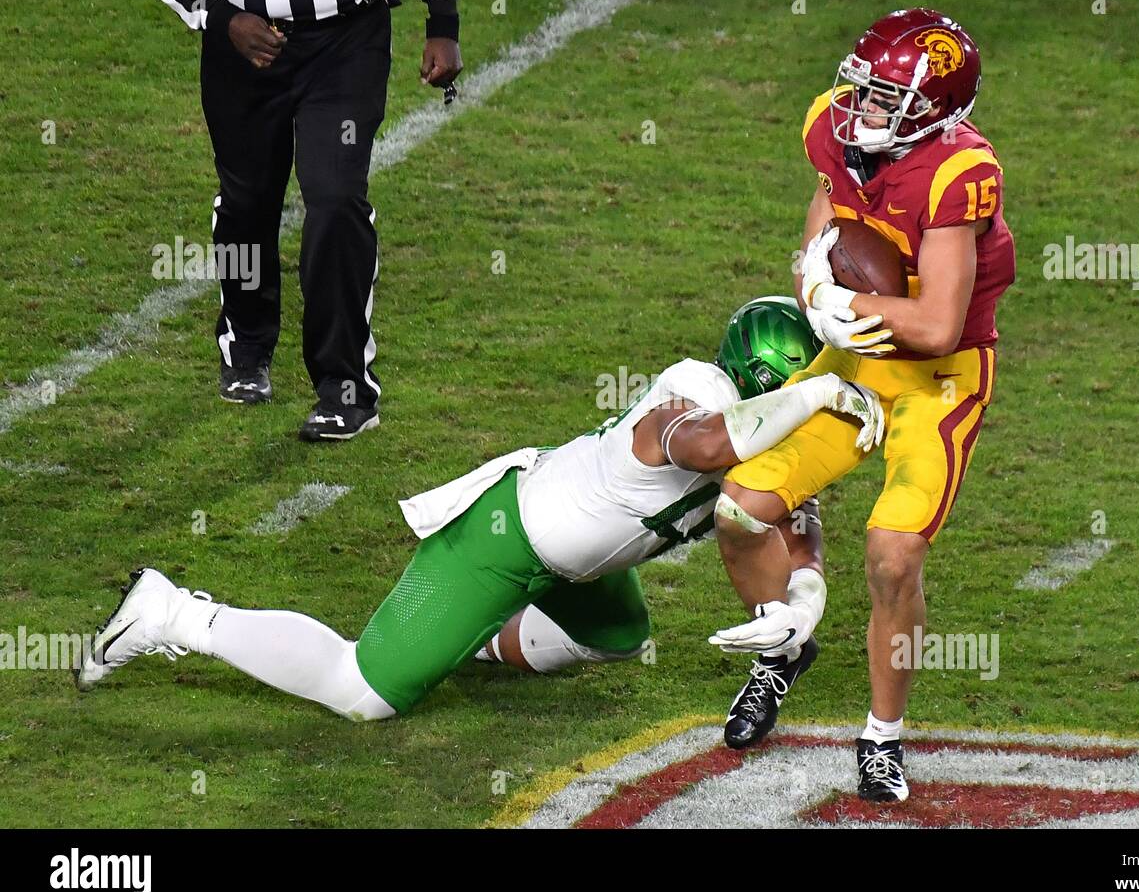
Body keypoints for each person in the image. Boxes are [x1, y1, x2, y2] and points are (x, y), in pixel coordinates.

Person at [75, 298, 884, 722]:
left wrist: (802, 599)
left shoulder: (763, 433)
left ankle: (458, 641)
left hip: (574, 560)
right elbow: (709, 448)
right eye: (801, 380)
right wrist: (819, 392)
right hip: (505, 540)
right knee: (362, 691)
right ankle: (173, 613)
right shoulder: (698, 396)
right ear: (773, 378)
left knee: (616, 638)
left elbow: (791, 516)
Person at [712, 9, 1016, 801]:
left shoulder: (958, 172)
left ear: (935, 110)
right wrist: (816, 276)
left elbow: (938, 322)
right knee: (739, 511)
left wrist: (844, 302)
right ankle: (783, 650)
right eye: (864, 89)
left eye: (886, 99)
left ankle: (883, 736)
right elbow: (830, 211)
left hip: (939, 377)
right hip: (855, 360)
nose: (862, 109)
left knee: (893, 553)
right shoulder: (834, 128)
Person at [141, 0, 464, 440]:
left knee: (336, 197)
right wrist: (219, 15)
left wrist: (442, 22)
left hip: (347, 41)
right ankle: (247, 345)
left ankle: (345, 389)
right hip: (239, 43)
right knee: (247, 199)